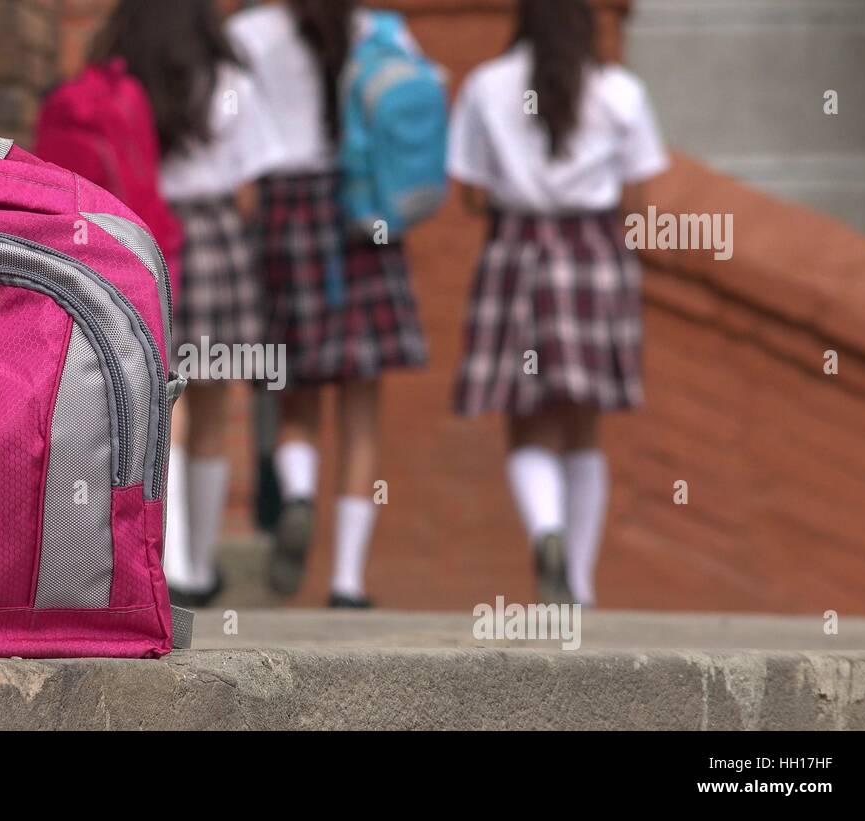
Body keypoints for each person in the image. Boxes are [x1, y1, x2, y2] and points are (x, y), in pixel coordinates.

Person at [448, 0, 669, 605]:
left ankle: (545, 531)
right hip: (593, 254)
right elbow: (640, 200)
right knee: (583, 425)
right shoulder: (620, 90)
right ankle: (579, 582)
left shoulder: (487, 86)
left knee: (526, 421)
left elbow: (469, 192)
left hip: (516, 251)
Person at [228, 0, 429, 608]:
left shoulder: (247, 34)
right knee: (362, 407)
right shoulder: (380, 29)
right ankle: (348, 582)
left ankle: (296, 497)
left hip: (288, 209)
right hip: (365, 210)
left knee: (297, 395)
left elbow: (235, 139)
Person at [91, 0, 284, 607]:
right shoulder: (229, 79)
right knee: (211, 397)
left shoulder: (118, 71)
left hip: (137, 235)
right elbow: (250, 182)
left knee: (153, 396)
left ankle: (163, 559)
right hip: (215, 236)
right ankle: (198, 567)